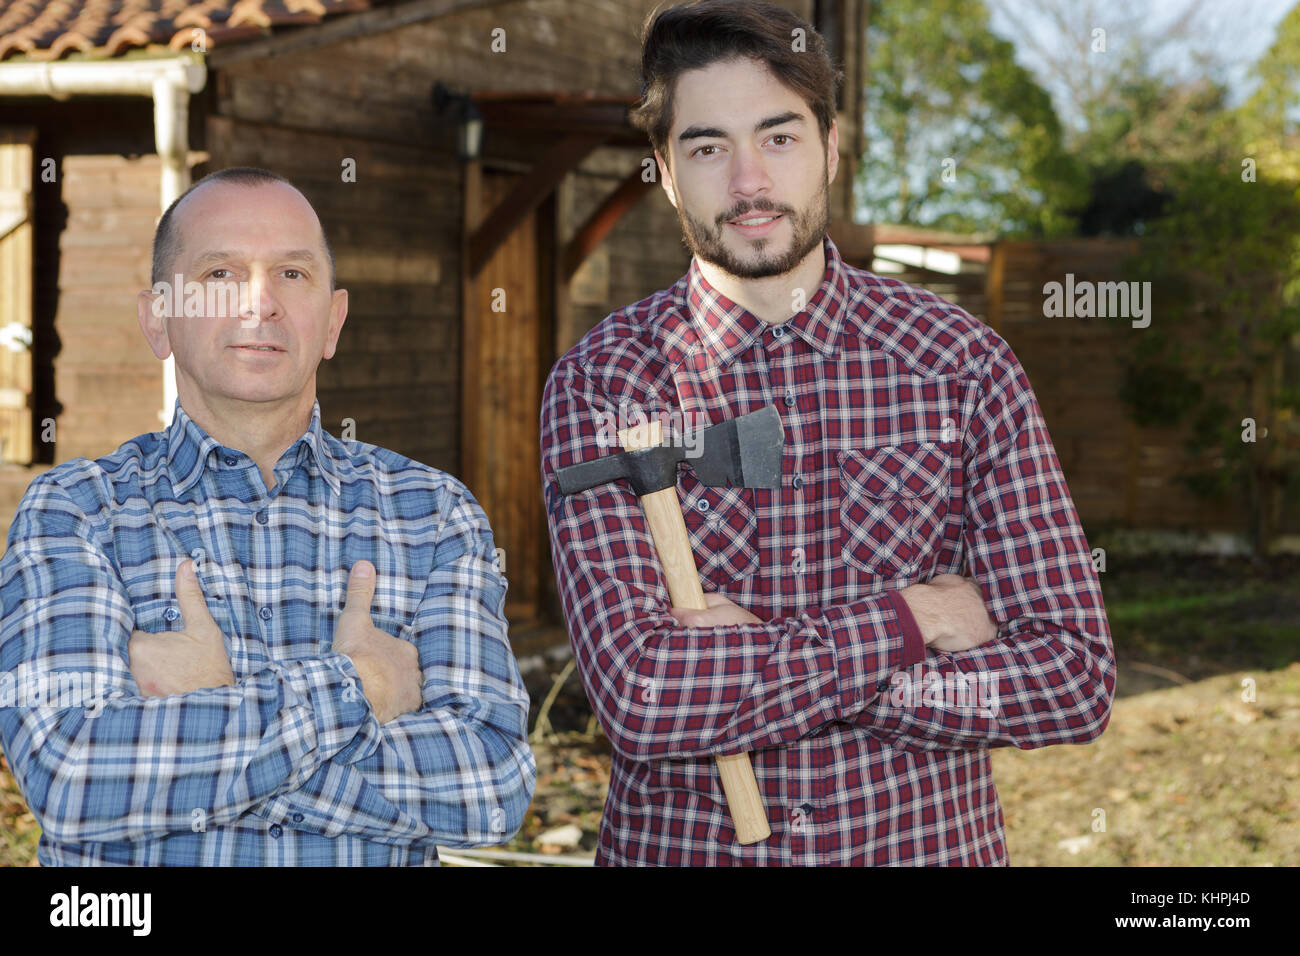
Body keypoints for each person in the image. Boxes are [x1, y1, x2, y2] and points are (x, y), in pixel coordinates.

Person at [539, 0, 1114, 865]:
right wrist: (910, 620)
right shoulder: (606, 383)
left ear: (831, 149)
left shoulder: (959, 364)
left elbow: (1071, 680)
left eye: (779, 137)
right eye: (706, 147)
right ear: (661, 167)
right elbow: (643, 697)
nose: (747, 182)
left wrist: (770, 673)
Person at [0, 167, 536, 865]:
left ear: (333, 321)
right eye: (221, 273)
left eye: (292, 273)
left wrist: (205, 732)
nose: (261, 304)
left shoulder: (432, 514)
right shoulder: (73, 512)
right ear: (158, 317)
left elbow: (491, 786)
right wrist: (358, 688)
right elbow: (69, 777)